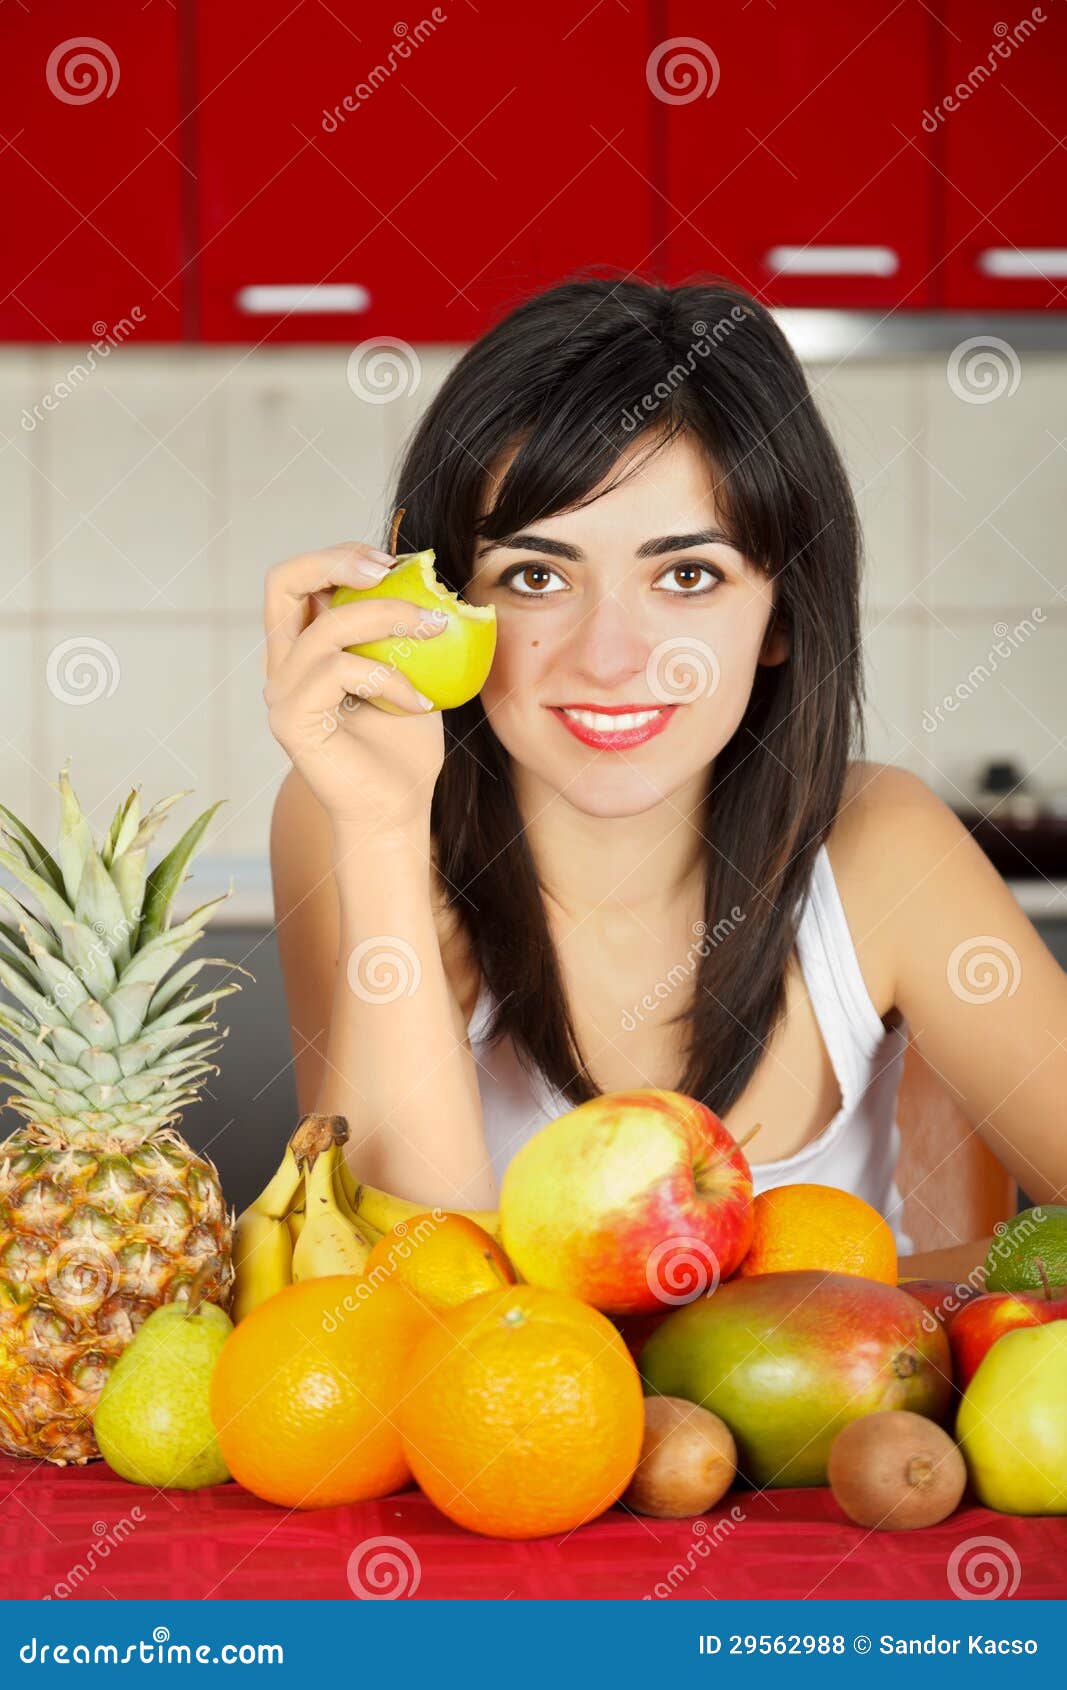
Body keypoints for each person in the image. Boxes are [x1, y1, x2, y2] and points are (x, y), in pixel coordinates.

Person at [264, 276, 1066, 1281]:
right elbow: (385, 1304)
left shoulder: (880, 842)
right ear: (442, 603)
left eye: (686, 575)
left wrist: (739, 1325)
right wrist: (380, 830)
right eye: (535, 575)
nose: (607, 656)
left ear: (778, 613)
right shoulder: (356, 815)